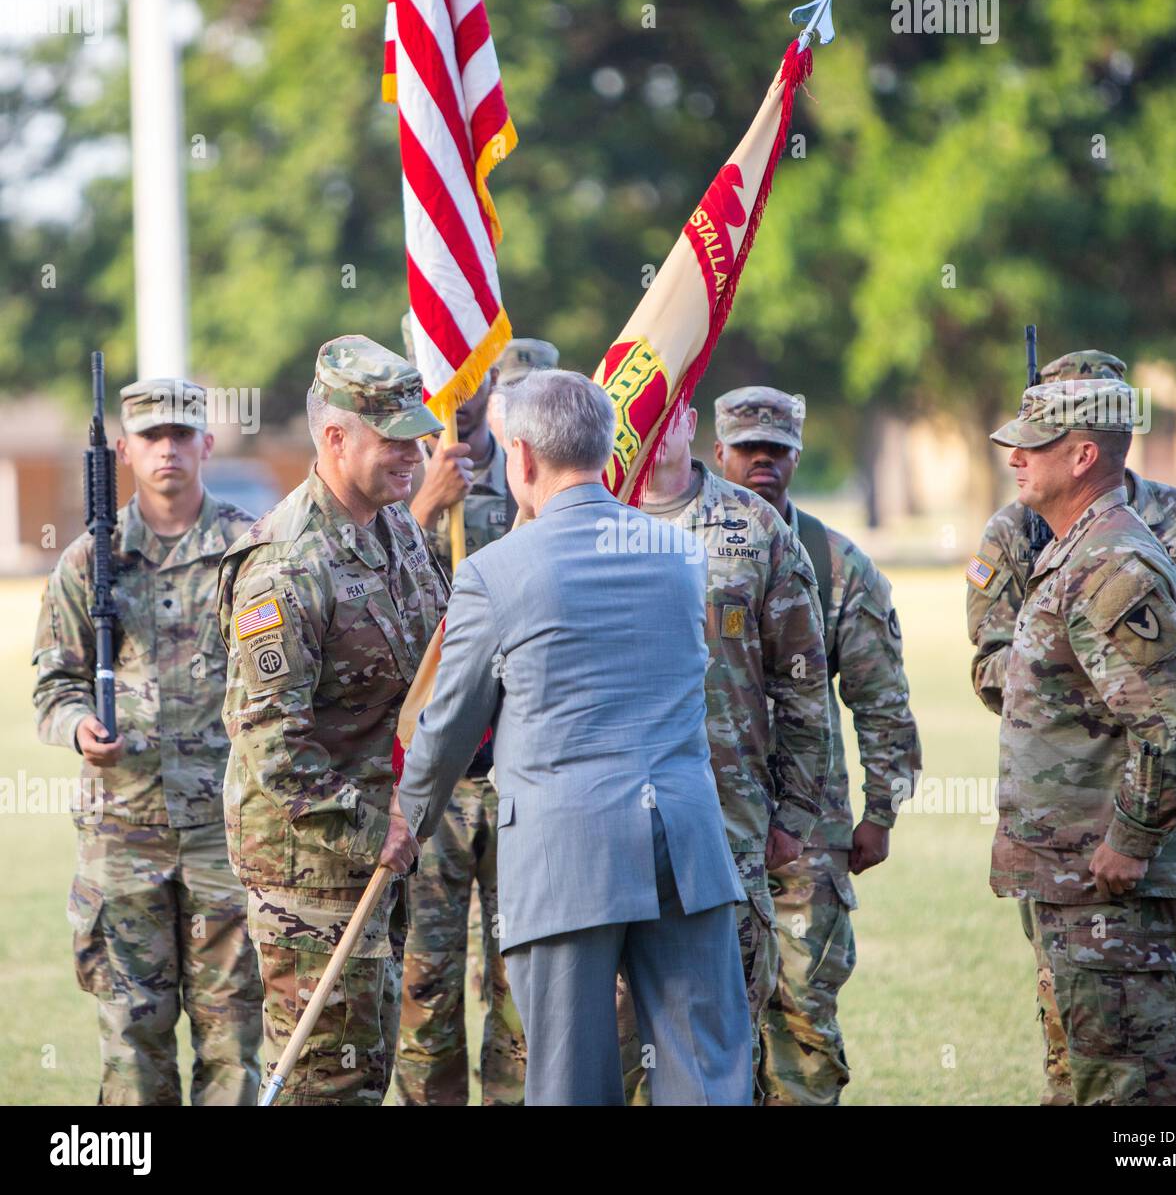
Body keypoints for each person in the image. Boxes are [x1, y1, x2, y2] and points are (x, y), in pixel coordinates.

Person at [391, 369, 752, 1106]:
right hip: (682, 842)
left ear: (519, 458)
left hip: (566, 855)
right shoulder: (680, 555)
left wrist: (410, 814)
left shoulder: (494, 572)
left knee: (569, 1081)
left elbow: (452, 722)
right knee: (705, 1076)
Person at [966, 350, 1176, 1104]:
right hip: (1074, 876)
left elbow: (1172, 727)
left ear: (1084, 454)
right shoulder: (1066, 547)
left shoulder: (1114, 563)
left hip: (1113, 883)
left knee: (1130, 1098)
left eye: (1033, 442)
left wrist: (1132, 837)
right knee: (1086, 1081)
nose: (1014, 455)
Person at [218, 336, 446, 1106]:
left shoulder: (399, 529)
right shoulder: (283, 567)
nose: (414, 454)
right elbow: (272, 748)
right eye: (395, 439)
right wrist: (366, 826)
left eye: (418, 436)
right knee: (327, 1084)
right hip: (311, 870)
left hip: (382, 856)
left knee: (365, 1071)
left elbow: (432, 665)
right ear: (336, 436)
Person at [33, 377, 261, 1105]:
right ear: (125, 449)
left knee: (233, 1044)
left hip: (225, 836)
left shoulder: (247, 551)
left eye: (182, 434)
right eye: (152, 436)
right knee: (134, 1047)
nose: (168, 448)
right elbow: (54, 684)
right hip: (122, 838)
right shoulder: (86, 562)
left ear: (207, 444)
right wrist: (78, 727)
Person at [712, 385, 922, 1106]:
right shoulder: (682, 544)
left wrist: (882, 810)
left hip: (812, 833)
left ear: (798, 453)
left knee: (802, 1017)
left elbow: (881, 697)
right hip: (712, 820)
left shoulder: (838, 564)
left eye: (777, 449)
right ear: (719, 452)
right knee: (706, 1017)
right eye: (748, 449)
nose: (763, 461)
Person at [628, 402, 832, 1098]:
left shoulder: (754, 527)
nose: (657, 422)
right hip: (613, 846)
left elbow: (803, 684)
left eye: (672, 405)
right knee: (619, 1062)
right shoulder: (587, 517)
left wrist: (793, 817)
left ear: (690, 420)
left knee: (720, 1053)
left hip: (730, 835)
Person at [396, 336, 556, 1107]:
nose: (460, 388)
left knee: (522, 984)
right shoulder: (392, 482)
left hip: (523, 775)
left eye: (477, 372)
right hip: (431, 780)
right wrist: (422, 507)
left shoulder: (546, 480)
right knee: (422, 994)